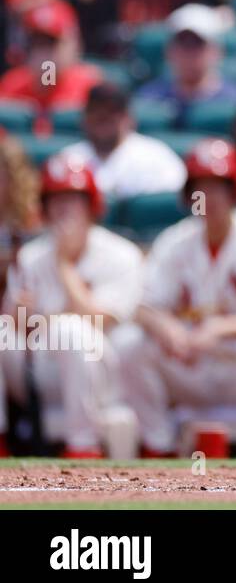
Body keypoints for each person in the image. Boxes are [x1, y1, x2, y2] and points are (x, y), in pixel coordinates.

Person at [115, 139, 236, 458]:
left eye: (218, 188)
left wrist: (220, 328)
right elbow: (144, 307)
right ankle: (157, 446)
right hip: (189, 362)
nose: (209, 198)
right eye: (200, 189)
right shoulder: (175, 240)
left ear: (234, 192)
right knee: (129, 342)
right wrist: (167, 328)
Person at [0, 157, 143, 458]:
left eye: (73, 200)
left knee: (69, 329)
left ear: (92, 207)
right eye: (56, 201)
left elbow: (99, 321)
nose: (63, 210)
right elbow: (14, 330)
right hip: (40, 372)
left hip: (102, 372)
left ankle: (83, 444)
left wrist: (64, 265)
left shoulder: (121, 254)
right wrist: (18, 317)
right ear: (45, 209)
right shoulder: (31, 256)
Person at [59, 83, 187, 202]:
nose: (103, 117)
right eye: (95, 111)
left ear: (129, 118)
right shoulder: (67, 159)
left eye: (112, 111)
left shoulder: (157, 156)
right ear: (84, 118)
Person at [134, 4, 236, 127]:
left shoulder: (235, 101)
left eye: (197, 43)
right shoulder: (147, 98)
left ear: (217, 51)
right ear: (169, 50)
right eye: (182, 42)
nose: (189, 52)